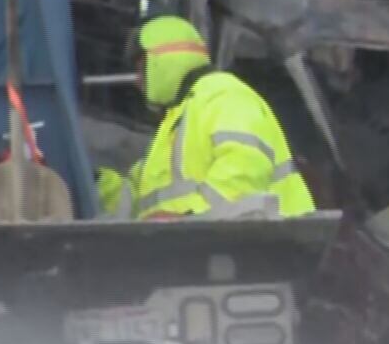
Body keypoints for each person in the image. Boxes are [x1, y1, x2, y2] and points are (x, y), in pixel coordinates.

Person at [95, 14, 316, 221]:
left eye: (142, 70)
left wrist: (189, 219)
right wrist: (93, 182)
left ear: (160, 61)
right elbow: (140, 202)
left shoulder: (223, 94)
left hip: (272, 248)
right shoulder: (177, 122)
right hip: (220, 251)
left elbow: (243, 171)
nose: (138, 82)